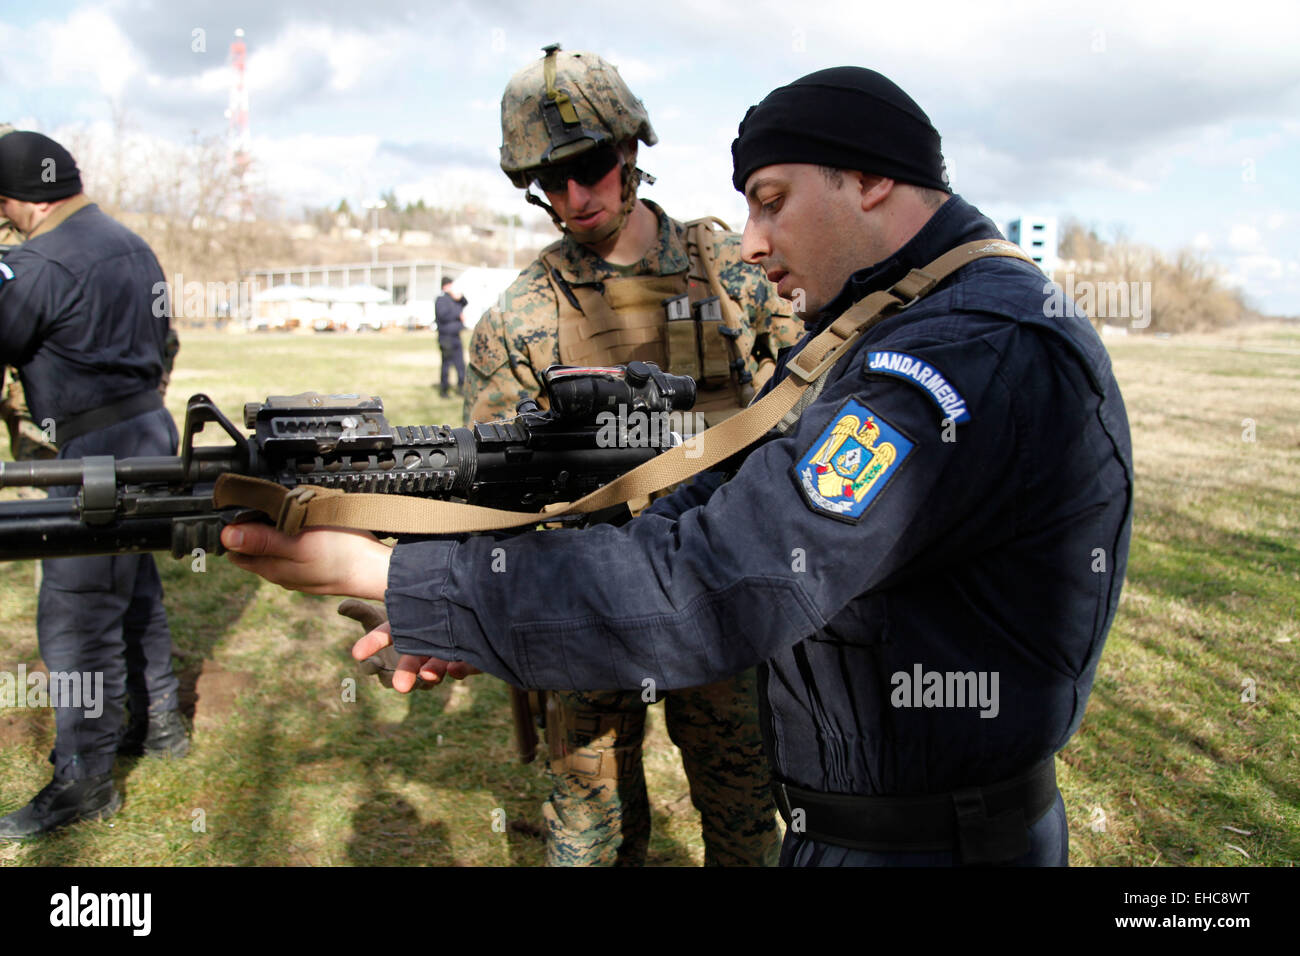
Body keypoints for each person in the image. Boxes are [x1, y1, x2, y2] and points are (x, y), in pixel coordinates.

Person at [222, 66, 1133, 867]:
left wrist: (411, 581)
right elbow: (719, 483)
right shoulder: (891, 323)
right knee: (589, 814)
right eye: (550, 182)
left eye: (772, 200)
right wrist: (465, 596)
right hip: (658, 636)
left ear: (870, 177)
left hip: (901, 815)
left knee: (737, 809)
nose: (753, 241)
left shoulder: (945, 356)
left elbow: (729, 574)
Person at [457, 45, 796, 867]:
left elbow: (804, 415)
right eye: (550, 180)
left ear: (631, 151)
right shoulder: (518, 318)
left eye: (591, 167)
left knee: (748, 818)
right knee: (587, 836)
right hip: (588, 599)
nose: (575, 196)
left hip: (723, 588)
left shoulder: (731, 275)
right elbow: (494, 487)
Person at [0, 131, 189, 841]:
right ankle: (160, 722)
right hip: (147, 432)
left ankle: (85, 778)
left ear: (23, 199)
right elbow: (167, 343)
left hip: (92, 449)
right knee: (133, 584)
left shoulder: (40, 260)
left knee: (77, 616)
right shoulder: (130, 243)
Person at [433, 275, 467, 397]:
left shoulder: (454, 299)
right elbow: (443, 316)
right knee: (446, 364)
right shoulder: (441, 300)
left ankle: (461, 387)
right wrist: (458, 314)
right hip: (445, 336)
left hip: (456, 335)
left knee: (460, 364)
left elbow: (464, 302)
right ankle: (444, 389)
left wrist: (460, 296)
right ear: (445, 286)